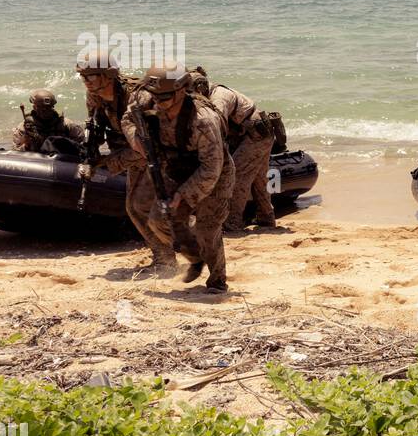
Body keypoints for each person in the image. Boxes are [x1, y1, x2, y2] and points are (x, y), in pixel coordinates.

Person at [122, 62, 235, 292]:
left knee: (207, 228)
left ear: (182, 91)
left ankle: (217, 280)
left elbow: (211, 168)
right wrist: (136, 140)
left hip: (214, 174)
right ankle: (195, 257)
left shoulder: (203, 120)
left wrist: (184, 195)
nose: (158, 103)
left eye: (164, 97)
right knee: (158, 220)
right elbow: (127, 119)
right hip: (176, 167)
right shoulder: (148, 99)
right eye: (154, 96)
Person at [76, 50, 172, 272]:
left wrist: (106, 163)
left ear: (107, 75)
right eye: (83, 77)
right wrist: (89, 156)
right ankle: (166, 256)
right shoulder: (95, 96)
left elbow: (148, 146)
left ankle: (169, 256)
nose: (86, 82)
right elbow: (96, 127)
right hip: (134, 155)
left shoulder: (137, 97)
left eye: (90, 76)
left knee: (141, 206)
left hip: (159, 155)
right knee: (136, 207)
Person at [190, 67, 276, 232]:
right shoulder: (212, 95)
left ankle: (232, 223)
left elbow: (216, 125)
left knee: (237, 177)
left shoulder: (219, 97)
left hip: (255, 136)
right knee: (259, 180)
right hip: (258, 134)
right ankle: (266, 218)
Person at [12, 89, 84, 151]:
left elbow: (81, 144)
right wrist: (26, 145)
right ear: (34, 107)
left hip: (60, 160)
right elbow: (15, 152)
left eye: (48, 108)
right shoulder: (25, 128)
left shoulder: (66, 124)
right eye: (41, 108)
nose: (45, 111)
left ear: (52, 107)